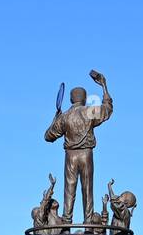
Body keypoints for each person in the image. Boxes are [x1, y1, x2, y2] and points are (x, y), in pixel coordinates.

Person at [44, 70, 113, 224]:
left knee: (69, 189)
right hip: (86, 154)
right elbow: (107, 110)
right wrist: (104, 87)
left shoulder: (65, 116)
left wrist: (55, 119)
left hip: (71, 156)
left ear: (70, 99)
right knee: (87, 189)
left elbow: (48, 136)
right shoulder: (89, 111)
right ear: (85, 99)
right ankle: (88, 222)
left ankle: (67, 221)